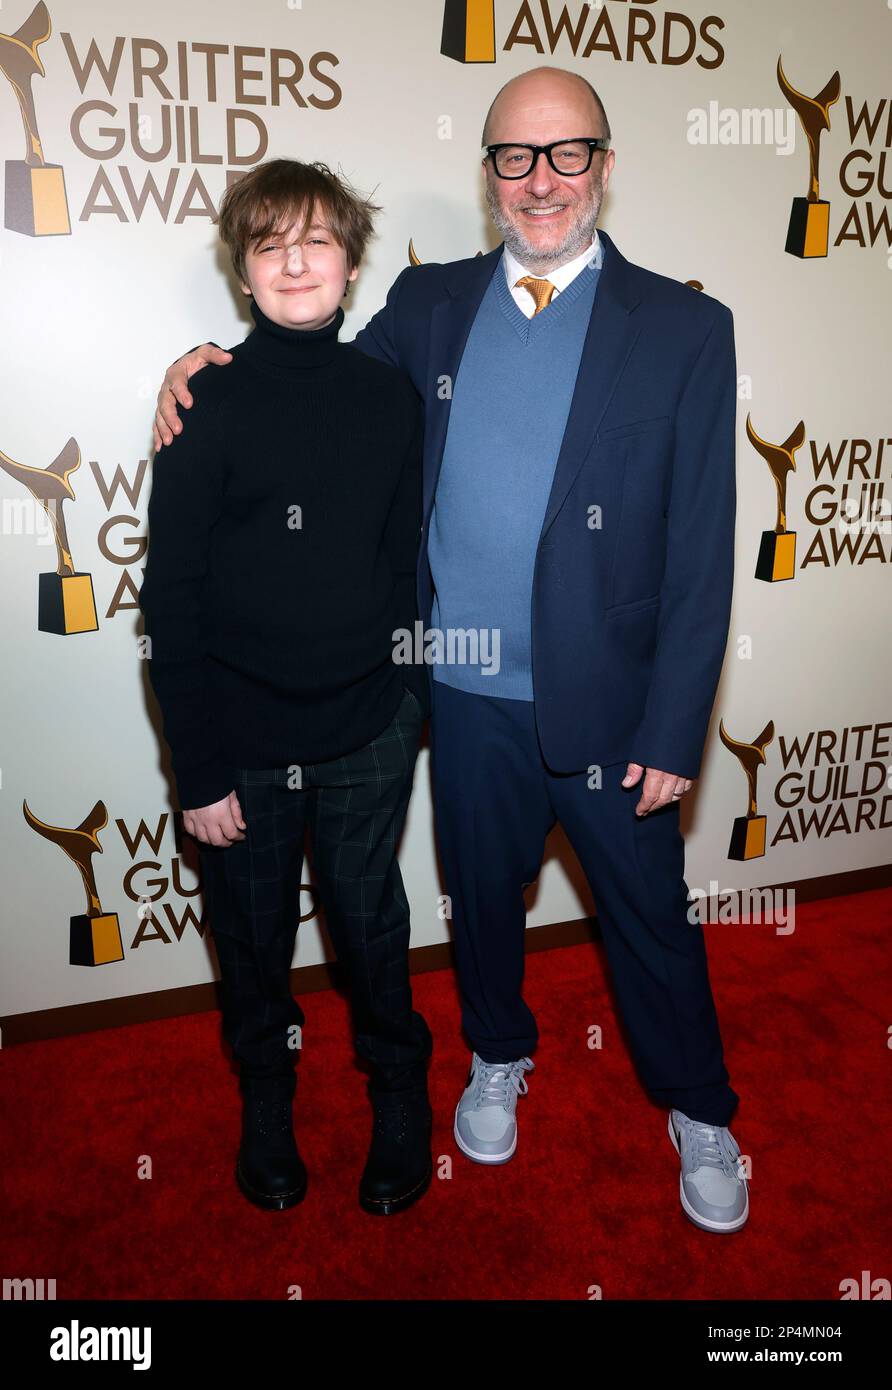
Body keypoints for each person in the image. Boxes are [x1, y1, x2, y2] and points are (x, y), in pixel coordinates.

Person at [153, 66, 749, 1234]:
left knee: (649, 918)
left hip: (616, 710)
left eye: (566, 154)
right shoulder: (428, 305)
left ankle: (702, 1107)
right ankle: (494, 1053)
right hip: (460, 693)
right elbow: (309, 378)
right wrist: (194, 371)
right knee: (479, 903)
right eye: (515, 159)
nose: (540, 181)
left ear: (605, 167)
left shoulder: (686, 328)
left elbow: (702, 547)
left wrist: (677, 725)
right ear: (487, 178)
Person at [140, 157, 434, 1217]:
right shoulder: (202, 400)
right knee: (253, 941)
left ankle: (401, 1092)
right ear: (245, 272)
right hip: (241, 743)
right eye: (270, 244)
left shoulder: (391, 396)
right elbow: (169, 598)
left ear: (351, 263)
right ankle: (268, 1099)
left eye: (315, 239)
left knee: (373, 933)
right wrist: (200, 766)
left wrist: (412, 709)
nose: (295, 259)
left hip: (367, 726)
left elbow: (406, 565)